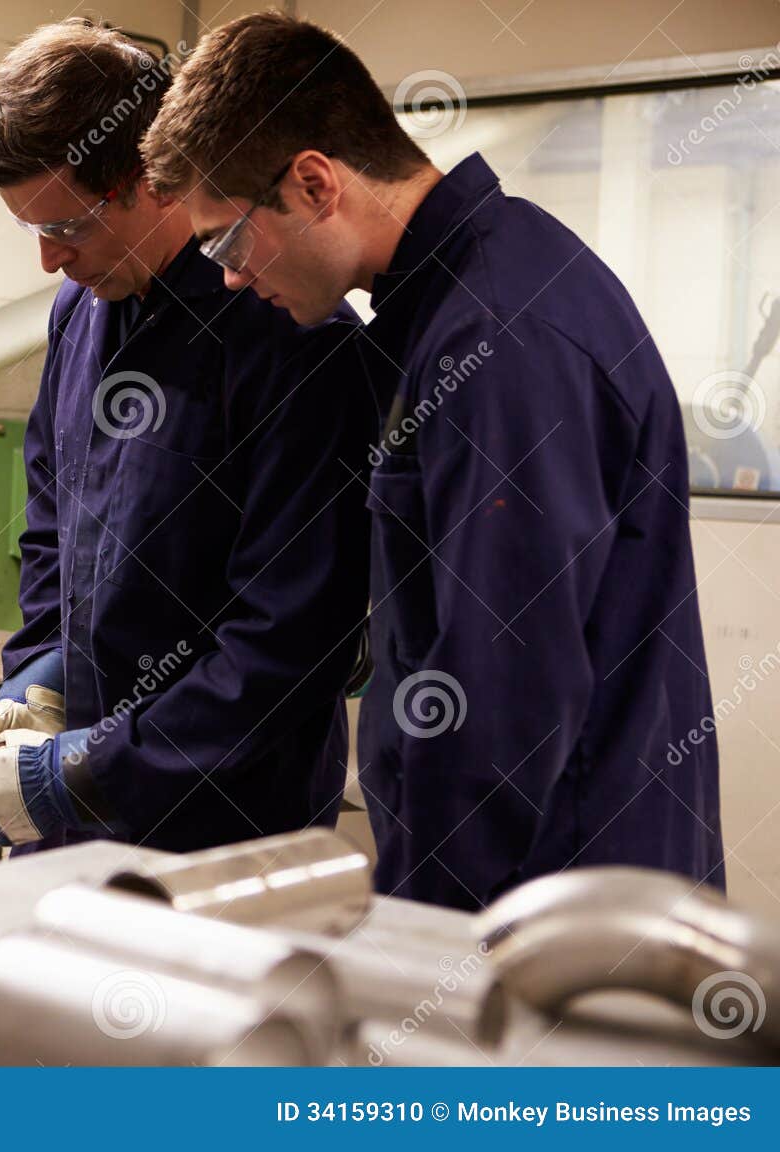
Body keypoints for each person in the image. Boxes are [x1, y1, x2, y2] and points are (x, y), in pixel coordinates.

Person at [142, 11, 724, 908]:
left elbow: (503, 701)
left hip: (557, 909)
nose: (226, 275)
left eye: (226, 239)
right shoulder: (464, 301)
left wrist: (425, 945)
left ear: (313, 183)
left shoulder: (496, 342)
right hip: (551, 883)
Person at [0, 19, 377, 854]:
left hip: (226, 827)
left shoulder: (292, 334)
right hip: (74, 801)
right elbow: (50, 530)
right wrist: (41, 688)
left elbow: (285, 644)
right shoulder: (82, 311)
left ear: (154, 179)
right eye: (33, 231)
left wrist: (91, 771)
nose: (49, 263)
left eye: (65, 229)